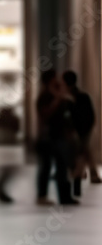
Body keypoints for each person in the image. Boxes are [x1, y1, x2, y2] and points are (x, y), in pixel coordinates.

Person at [36, 70, 77, 206]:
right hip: (49, 137)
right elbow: (45, 115)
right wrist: (58, 99)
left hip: (60, 136)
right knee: (46, 167)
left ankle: (65, 197)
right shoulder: (44, 97)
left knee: (62, 167)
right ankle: (42, 196)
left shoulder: (62, 96)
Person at [63, 70, 97, 196]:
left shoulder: (68, 98)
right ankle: (91, 174)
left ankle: (81, 176)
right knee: (83, 152)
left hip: (77, 130)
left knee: (80, 155)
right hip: (84, 129)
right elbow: (91, 115)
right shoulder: (83, 96)